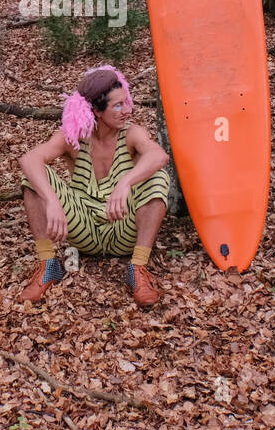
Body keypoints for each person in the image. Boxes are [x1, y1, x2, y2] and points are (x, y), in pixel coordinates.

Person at [16, 64, 171, 306]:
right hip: (83, 230)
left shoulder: (131, 133)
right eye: (117, 105)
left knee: (158, 177)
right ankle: (49, 265)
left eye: (127, 102)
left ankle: (138, 269)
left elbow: (159, 156)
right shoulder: (73, 137)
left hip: (122, 229)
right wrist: (52, 202)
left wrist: (125, 183)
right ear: (97, 111)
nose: (127, 110)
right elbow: (29, 159)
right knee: (33, 177)